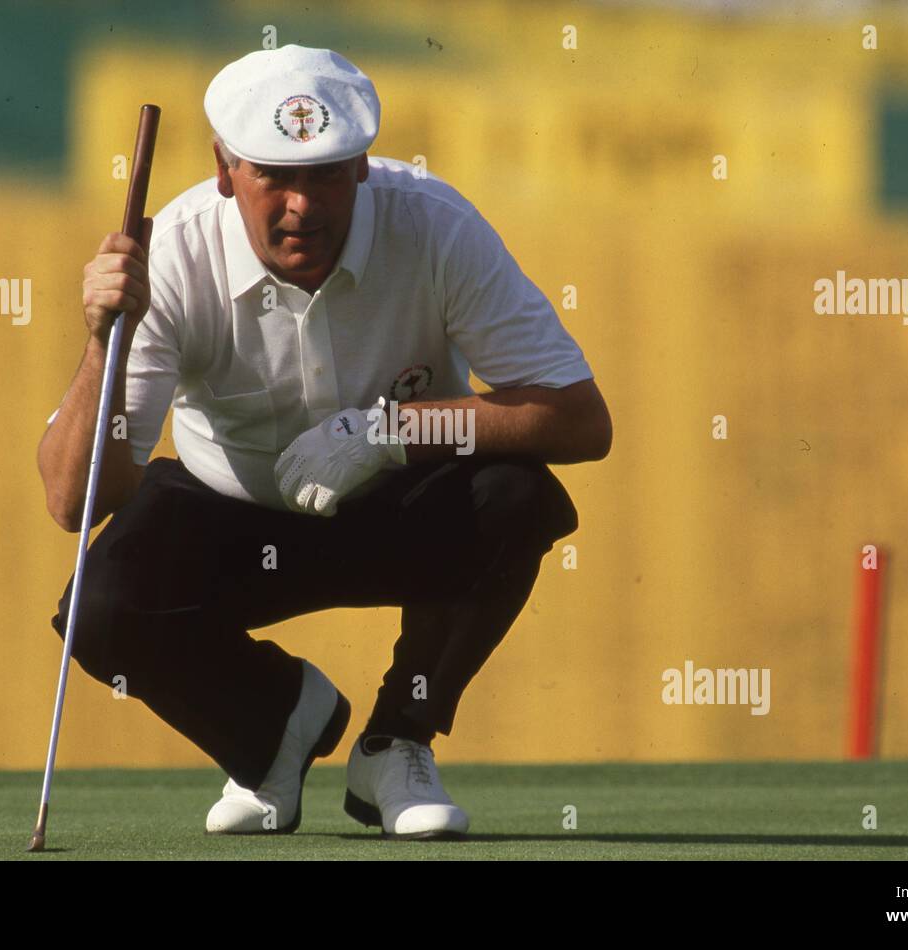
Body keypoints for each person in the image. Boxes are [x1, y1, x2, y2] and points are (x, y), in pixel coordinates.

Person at [36, 44, 612, 839]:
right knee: (99, 609)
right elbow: (74, 501)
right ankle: (273, 728)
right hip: (229, 516)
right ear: (224, 169)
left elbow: (579, 419)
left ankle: (397, 743)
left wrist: (392, 430)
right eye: (274, 175)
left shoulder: (437, 226)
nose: (302, 206)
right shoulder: (171, 253)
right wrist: (106, 341)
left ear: (363, 166)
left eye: (326, 175)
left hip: (396, 507)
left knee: (516, 496)